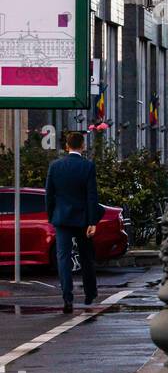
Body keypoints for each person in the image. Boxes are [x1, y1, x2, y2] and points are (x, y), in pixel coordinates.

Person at [44, 130, 101, 314]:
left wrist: (51, 216)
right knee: (86, 257)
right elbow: (92, 196)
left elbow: (49, 195)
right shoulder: (88, 166)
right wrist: (93, 221)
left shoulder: (55, 166)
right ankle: (90, 294)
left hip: (61, 218)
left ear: (66, 146)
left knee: (63, 258)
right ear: (83, 146)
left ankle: (67, 297)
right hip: (83, 219)